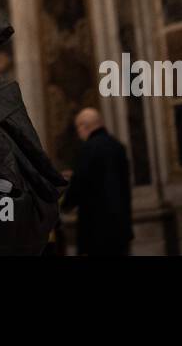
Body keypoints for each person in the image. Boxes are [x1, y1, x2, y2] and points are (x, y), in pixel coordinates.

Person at [61, 108, 132, 256]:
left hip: (97, 229)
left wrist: (65, 205)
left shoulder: (88, 149)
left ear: (83, 126)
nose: (79, 134)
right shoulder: (117, 147)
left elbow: (80, 185)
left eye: (78, 128)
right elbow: (107, 178)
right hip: (120, 226)